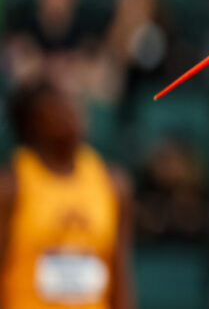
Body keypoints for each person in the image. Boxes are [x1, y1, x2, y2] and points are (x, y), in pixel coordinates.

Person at [0, 79, 134, 308]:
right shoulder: (12, 186)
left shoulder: (113, 184)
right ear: (31, 123)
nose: (69, 112)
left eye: (72, 103)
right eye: (56, 107)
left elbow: (120, 273)